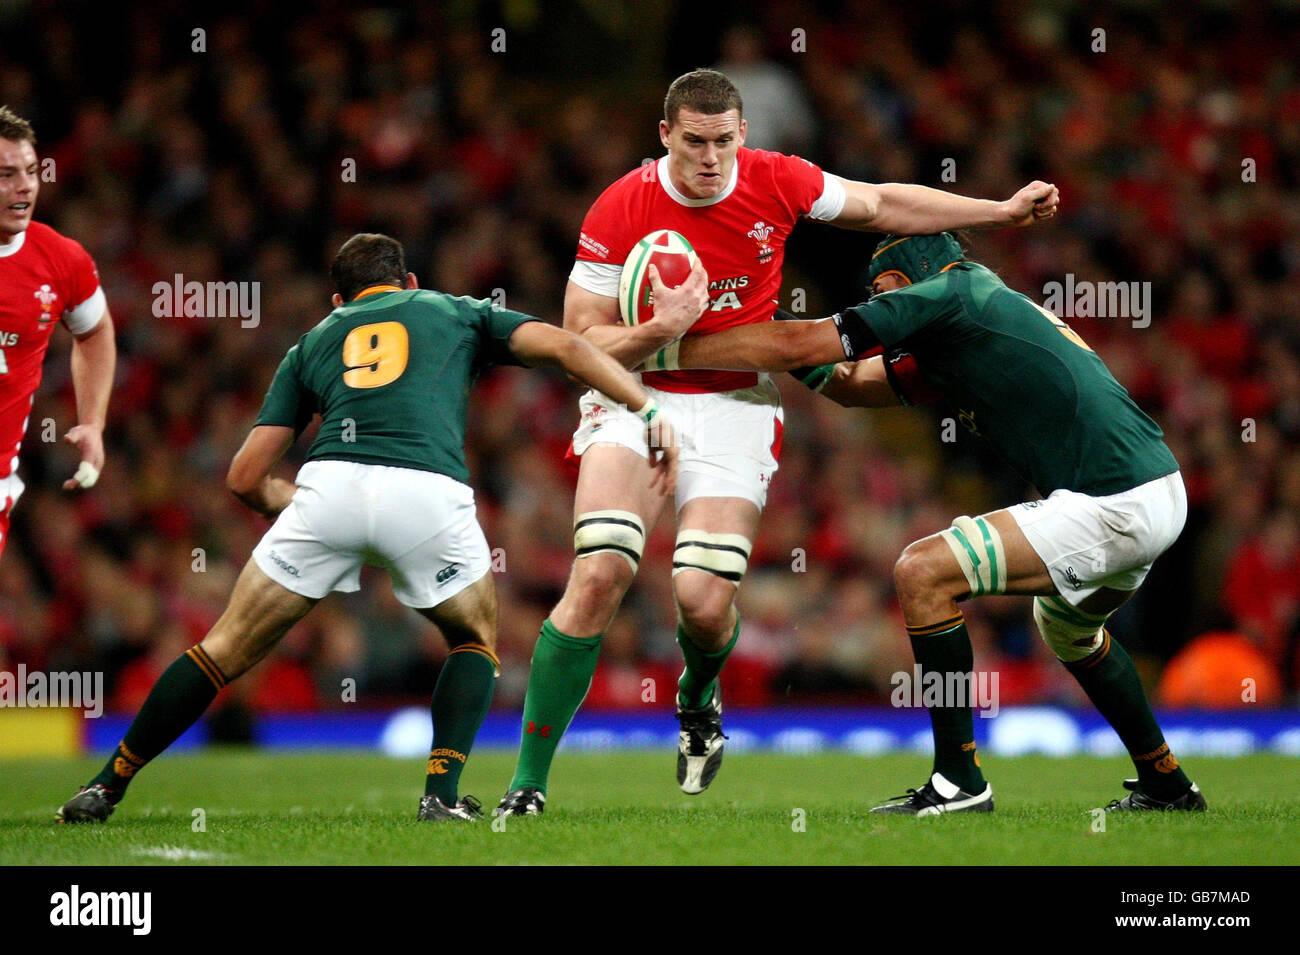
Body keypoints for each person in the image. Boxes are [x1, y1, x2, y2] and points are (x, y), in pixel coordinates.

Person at [496, 67, 1060, 816]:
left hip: (735, 403)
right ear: (665, 135)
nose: (709, 157)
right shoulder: (621, 204)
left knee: (700, 601)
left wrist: (999, 209)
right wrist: (661, 328)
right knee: (599, 572)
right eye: (693, 141)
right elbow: (580, 340)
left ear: (743, 135)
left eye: (723, 141)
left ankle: (698, 697)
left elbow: (884, 202)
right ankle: (527, 785)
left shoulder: (778, 181)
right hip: (634, 398)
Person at [57, 232, 704, 824]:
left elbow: (243, 475)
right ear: (410, 281)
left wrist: (293, 502)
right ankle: (440, 795)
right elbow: (566, 346)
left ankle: (107, 784)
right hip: (426, 491)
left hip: (329, 486)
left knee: (221, 650)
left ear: (340, 298)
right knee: (474, 637)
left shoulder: (313, 340)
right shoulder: (456, 310)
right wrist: (645, 406)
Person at [647, 231, 1205, 814]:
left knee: (922, 572)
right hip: (1155, 489)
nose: (877, 299)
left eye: (884, 289)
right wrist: (785, 332)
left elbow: (805, 344)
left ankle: (960, 781)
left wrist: (691, 334)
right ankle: (1166, 781)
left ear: (915, 275)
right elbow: (853, 385)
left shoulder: (952, 290)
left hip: (1115, 500)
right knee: (1068, 631)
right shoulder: (965, 325)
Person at [0, 106, 115, 560]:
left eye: (30, 171)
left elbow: (96, 333)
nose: (25, 185)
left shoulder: (61, 260)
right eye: (6, 174)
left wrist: (93, 421)